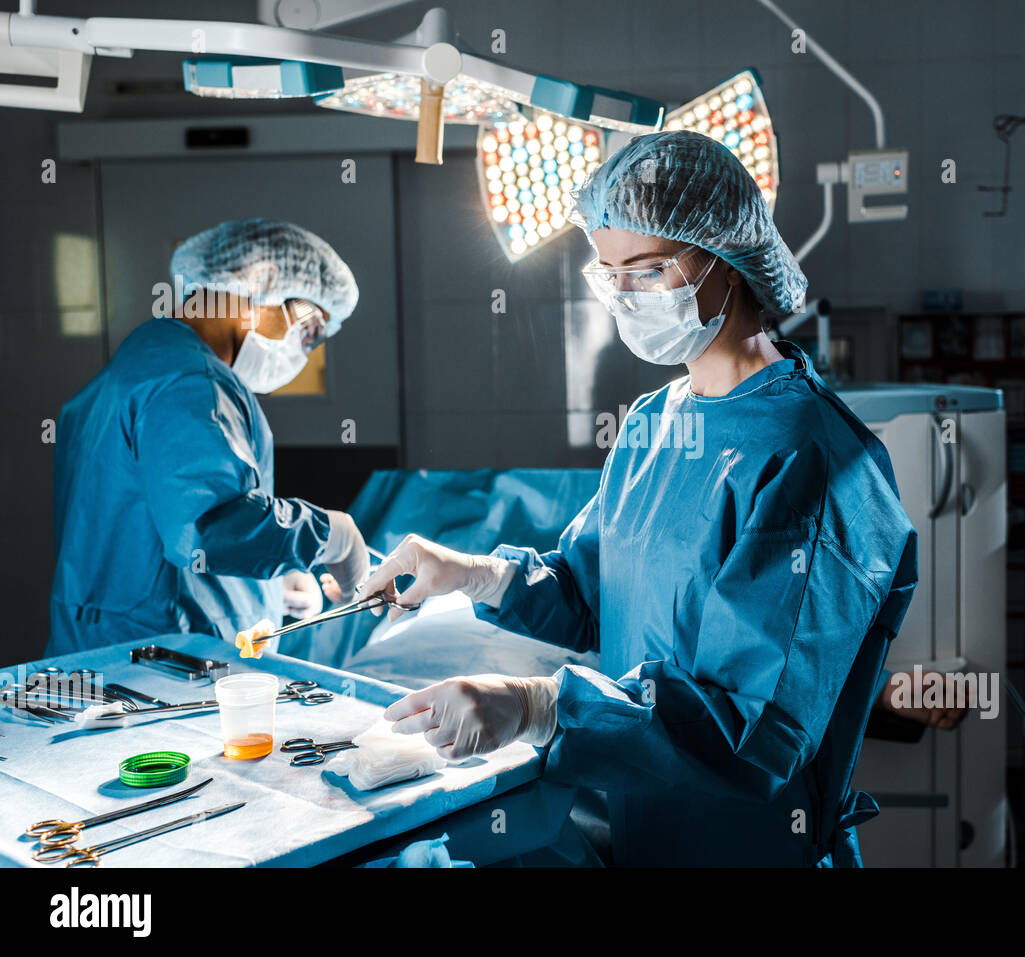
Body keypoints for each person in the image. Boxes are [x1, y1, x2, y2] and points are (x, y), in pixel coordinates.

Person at [364, 131, 919, 867]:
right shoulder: (657, 421)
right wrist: (472, 573)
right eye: (609, 272)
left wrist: (539, 705)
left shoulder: (815, 459)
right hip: (636, 824)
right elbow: (591, 587)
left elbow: (749, 728)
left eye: (650, 269)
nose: (626, 295)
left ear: (724, 255)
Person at [48, 218, 371, 656]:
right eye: (309, 329)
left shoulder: (143, 363)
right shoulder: (188, 382)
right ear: (261, 283)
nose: (304, 347)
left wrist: (271, 583)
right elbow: (206, 528)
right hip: (157, 667)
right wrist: (331, 535)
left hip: (106, 652)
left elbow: (150, 527)